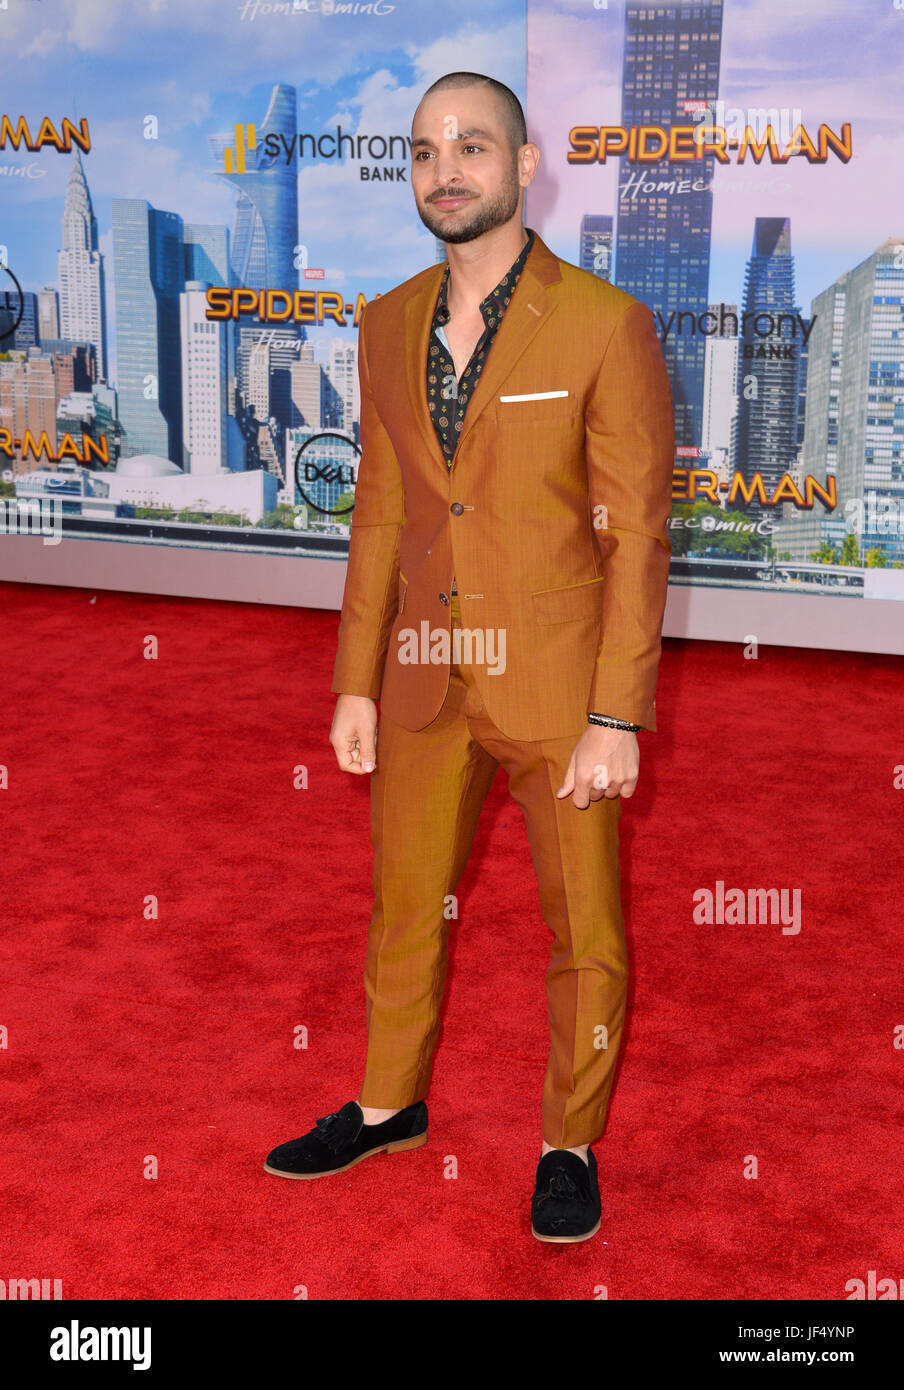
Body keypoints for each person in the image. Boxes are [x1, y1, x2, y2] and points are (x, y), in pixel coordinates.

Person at [265, 71, 674, 1245]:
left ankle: (567, 1139)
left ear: (524, 162)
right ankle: (388, 1102)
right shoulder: (387, 318)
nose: (448, 168)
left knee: (582, 923)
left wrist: (616, 713)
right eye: (426, 150)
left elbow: (638, 533)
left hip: (558, 683)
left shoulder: (603, 322)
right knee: (403, 903)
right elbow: (383, 513)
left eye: (473, 146)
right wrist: (352, 678)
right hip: (422, 672)